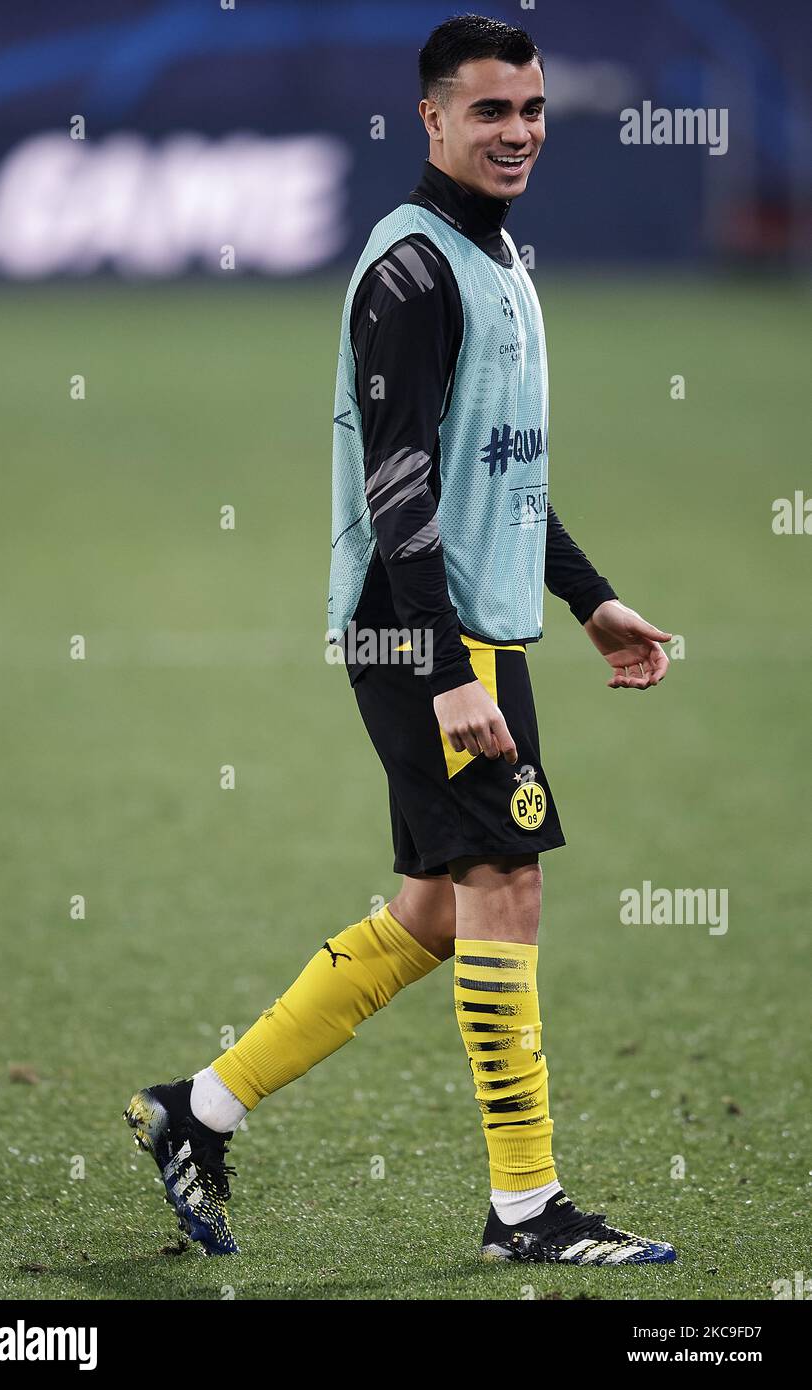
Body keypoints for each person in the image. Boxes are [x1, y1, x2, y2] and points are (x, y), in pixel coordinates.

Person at [124, 14, 676, 1266]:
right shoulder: (411, 271)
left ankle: (195, 1109)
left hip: (465, 629)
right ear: (429, 119)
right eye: (488, 111)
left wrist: (588, 599)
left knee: (436, 909)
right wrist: (438, 677)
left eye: (530, 108)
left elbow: (501, 480)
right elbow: (402, 491)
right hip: (416, 635)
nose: (517, 130)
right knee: (504, 885)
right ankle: (526, 1210)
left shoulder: (494, 255)